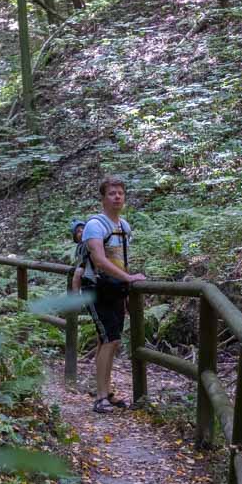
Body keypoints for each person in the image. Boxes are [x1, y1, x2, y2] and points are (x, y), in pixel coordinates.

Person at [81, 176, 145, 414]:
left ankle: (105, 391)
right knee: (111, 339)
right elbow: (98, 259)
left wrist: (127, 287)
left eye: (120, 193)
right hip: (96, 287)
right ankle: (100, 397)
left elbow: (122, 260)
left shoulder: (124, 226)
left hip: (116, 288)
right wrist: (128, 278)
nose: (117, 197)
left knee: (107, 339)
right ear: (103, 198)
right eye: (112, 193)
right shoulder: (95, 225)